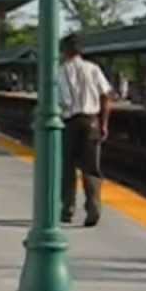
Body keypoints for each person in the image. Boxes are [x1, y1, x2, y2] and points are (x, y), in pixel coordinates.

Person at [57, 35, 115, 227]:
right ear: (80, 50)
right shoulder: (93, 69)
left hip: (69, 123)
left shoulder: (60, 72)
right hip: (91, 122)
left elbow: (57, 101)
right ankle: (93, 208)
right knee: (91, 168)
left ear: (64, 51)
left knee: (67, 167)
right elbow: (106, 96)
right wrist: (104, 124)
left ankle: (67, 208)